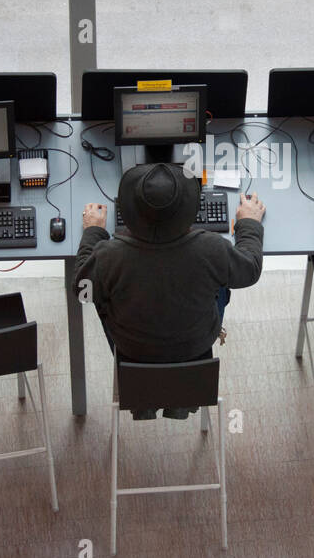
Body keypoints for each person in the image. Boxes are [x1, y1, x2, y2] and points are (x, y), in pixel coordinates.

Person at [73, 162, 265, 418]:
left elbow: (81, 291)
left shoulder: (110, 255)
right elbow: (249, 270)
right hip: (194, 351)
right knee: (220, 284)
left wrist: (93, 233)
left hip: (133, 357)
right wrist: (249, 224)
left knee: (101, 291)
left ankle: (147, 400)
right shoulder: (210, 248)